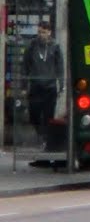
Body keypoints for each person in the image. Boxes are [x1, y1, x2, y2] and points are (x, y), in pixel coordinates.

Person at [21, 21, 64, 152]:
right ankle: (40, 133)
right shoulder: (32, 46)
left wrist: (61, 85)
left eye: (43, 32)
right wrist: (24, 85)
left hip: (50, 86)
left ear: (49, 32)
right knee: (34, 113)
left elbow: (60, 67)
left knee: (48, 115)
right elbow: (25, 66)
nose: (41, 35)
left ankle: (45, 139)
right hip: (35, 84)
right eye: (39, 32)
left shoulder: (55, 46)